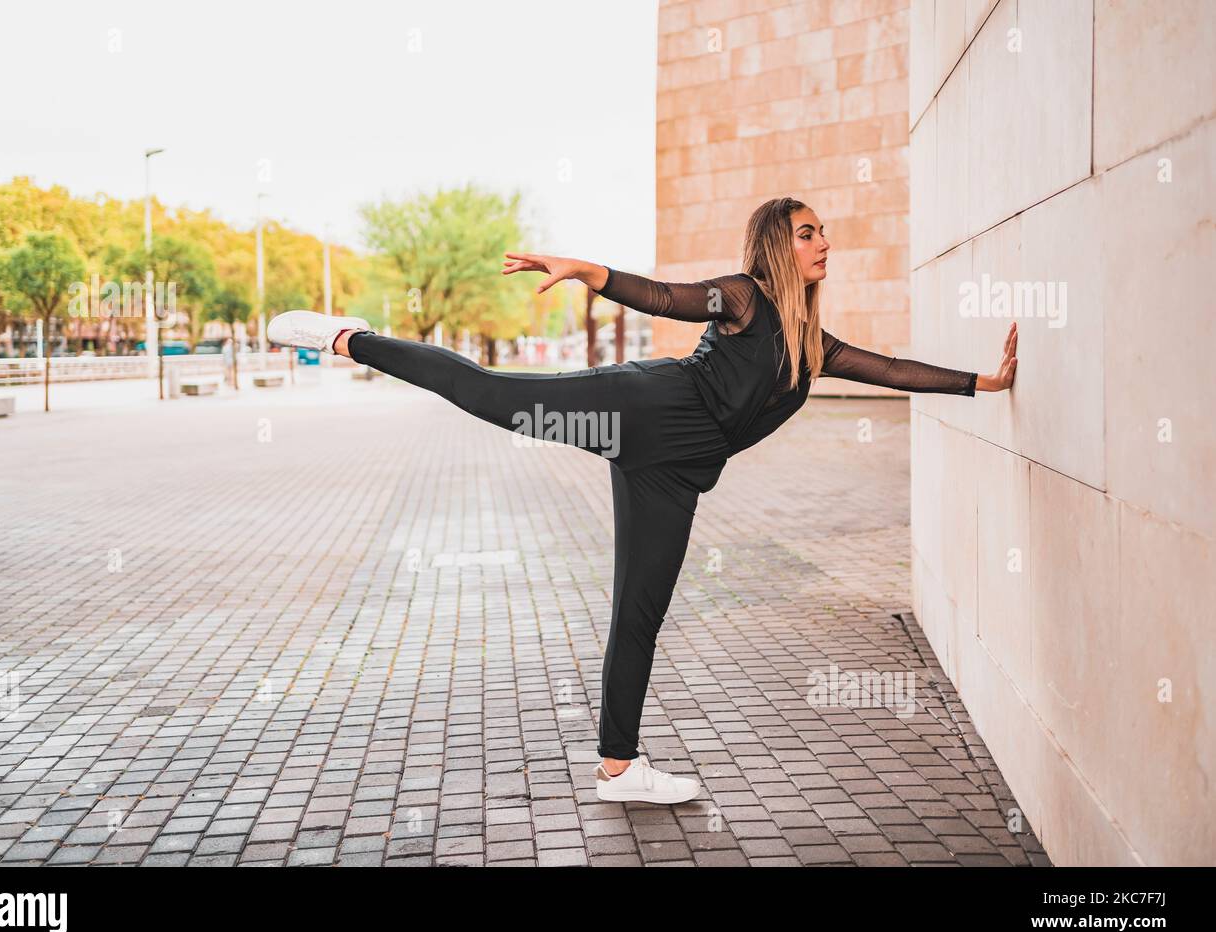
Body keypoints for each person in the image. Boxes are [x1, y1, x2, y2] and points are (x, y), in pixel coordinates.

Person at [266, 197, 1018, 805]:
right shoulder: (746, 296)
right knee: (495, 395)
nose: (826, 243)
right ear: (775, 246)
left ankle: (619, 769)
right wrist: (586, 270)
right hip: (640, 411)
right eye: (809, 232)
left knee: (640, 615)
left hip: (674, 474)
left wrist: (981, 383)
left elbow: (891, 370)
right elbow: (666, 297)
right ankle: (346, 339)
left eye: (825, 232)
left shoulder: (814, 344)